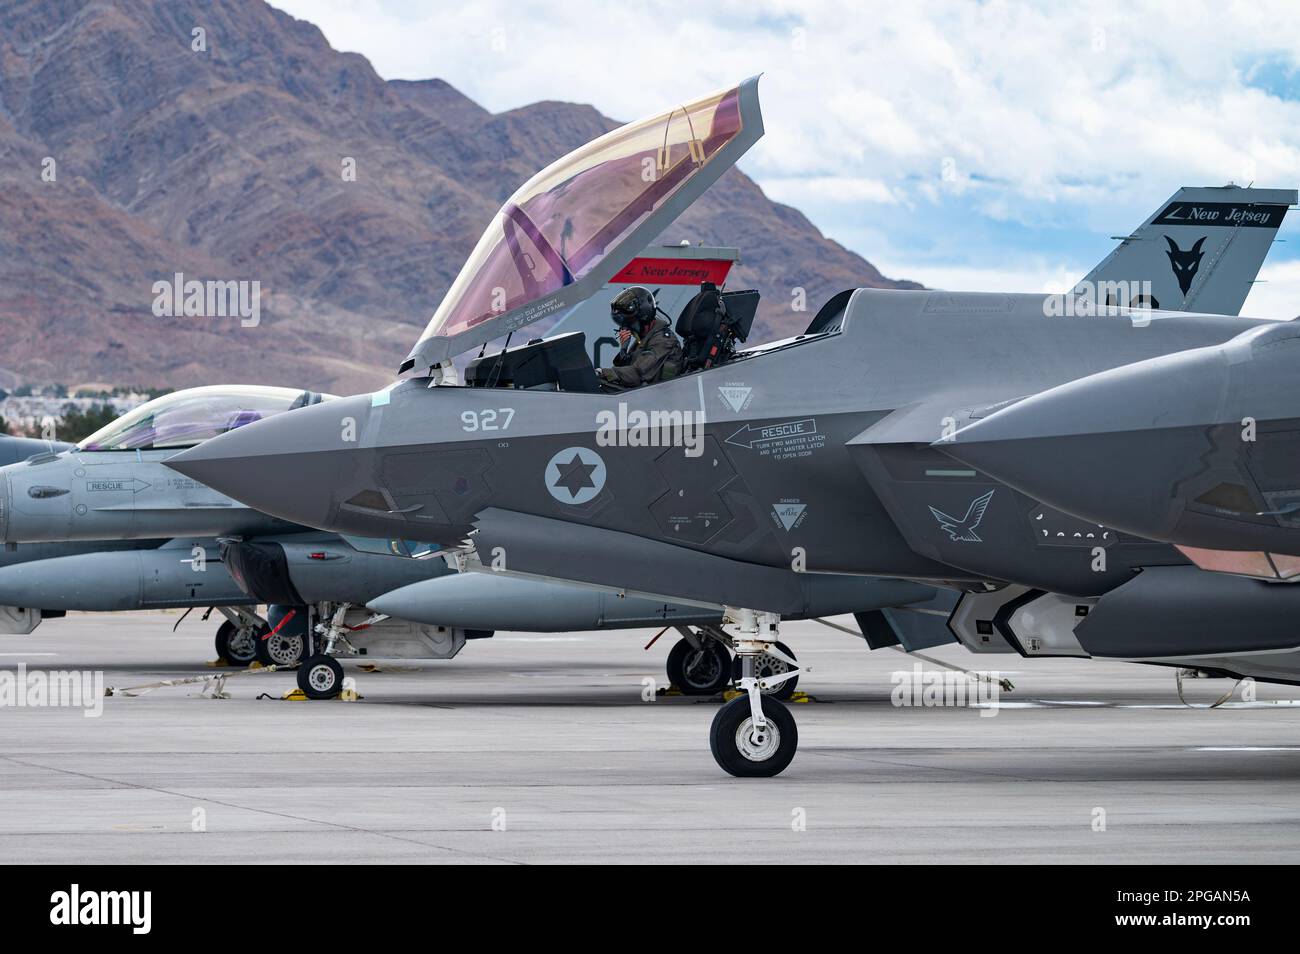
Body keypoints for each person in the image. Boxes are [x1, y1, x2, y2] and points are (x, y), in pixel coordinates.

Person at [596, 286, 682, 391]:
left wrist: (603, 372)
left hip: (658, 400)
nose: (627, 329)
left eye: (630, 324)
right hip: (643, 395)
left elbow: (638, 373)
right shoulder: (646, 337)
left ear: (644, 318)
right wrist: (623, 350)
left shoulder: (663, 341)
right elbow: (628, 370)